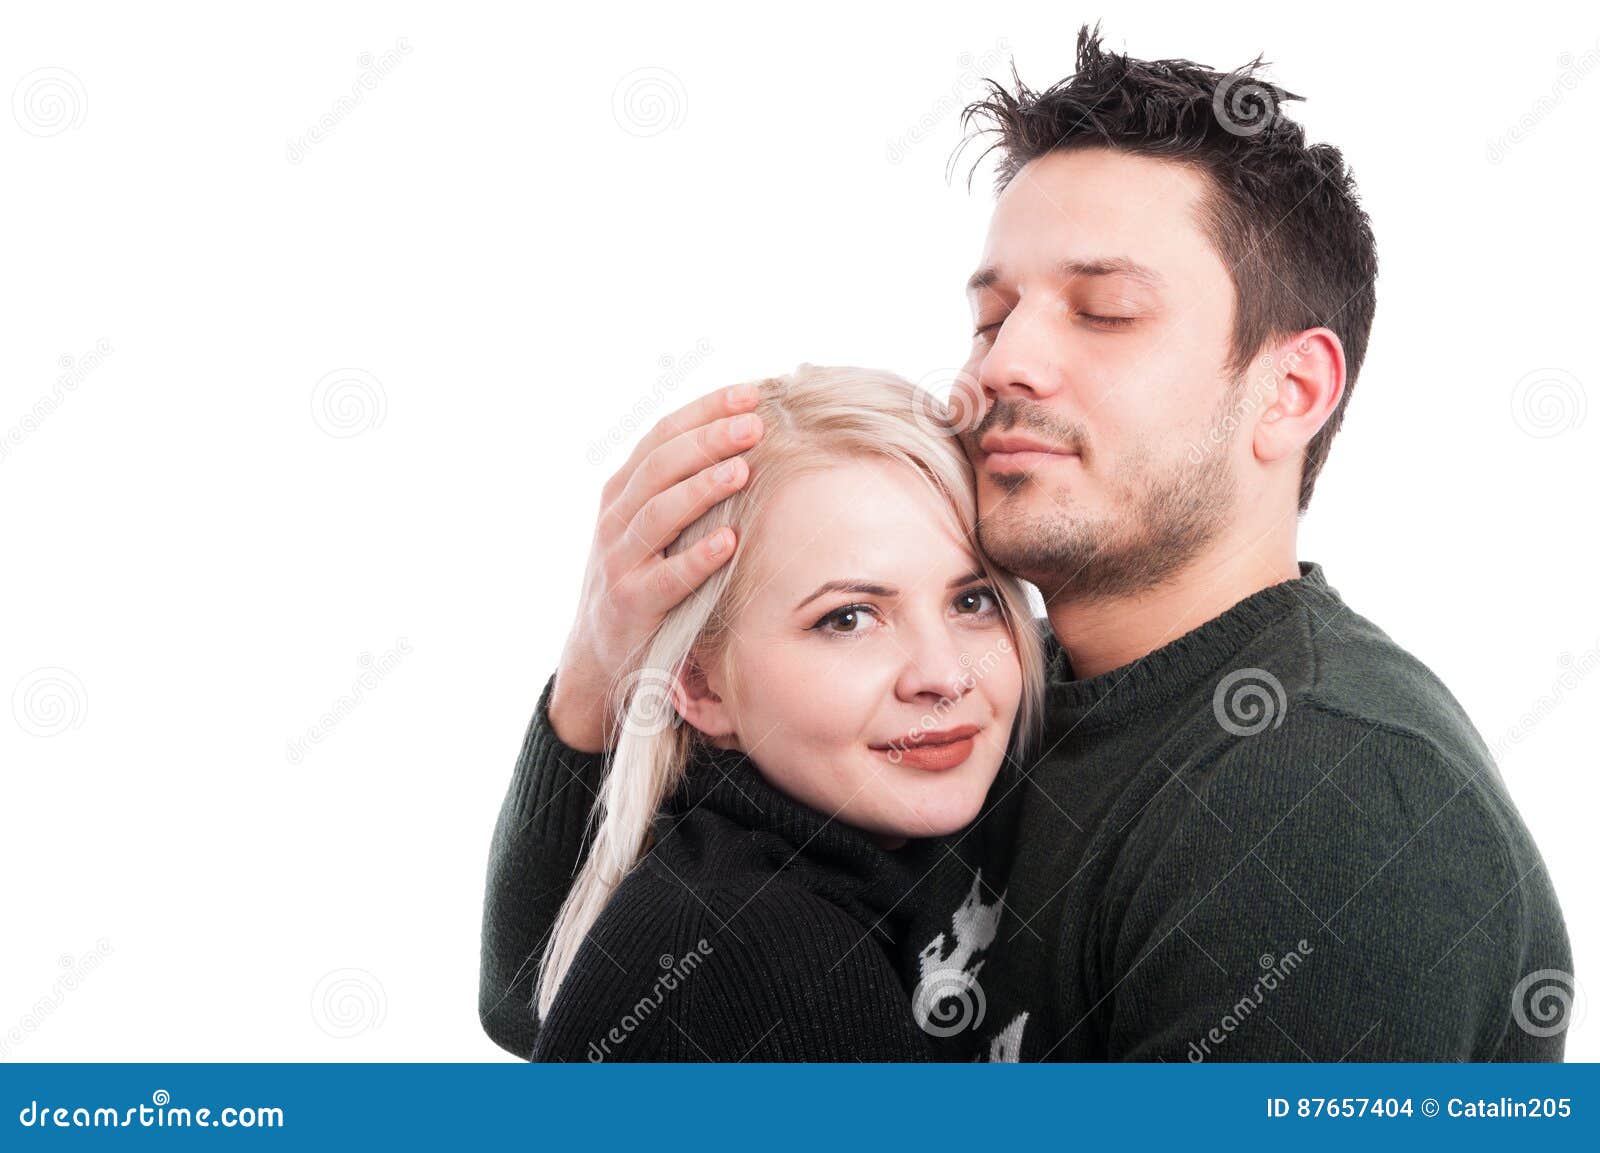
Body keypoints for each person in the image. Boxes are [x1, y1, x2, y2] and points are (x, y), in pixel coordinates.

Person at [482, 26, 1572, 1062]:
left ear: (1290, 391)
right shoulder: (987, 703)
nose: (1004, 362)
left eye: (1104, 311)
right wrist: (603, 662)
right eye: (993, 315)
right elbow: (549, 990)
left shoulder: (1330, 798)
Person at [521, 365, 1047, 1061]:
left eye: (971, 601)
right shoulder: (751, 955)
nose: (947, 675)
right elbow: (520, 997)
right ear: (701, 688)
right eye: (849, 618)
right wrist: (594, 663)